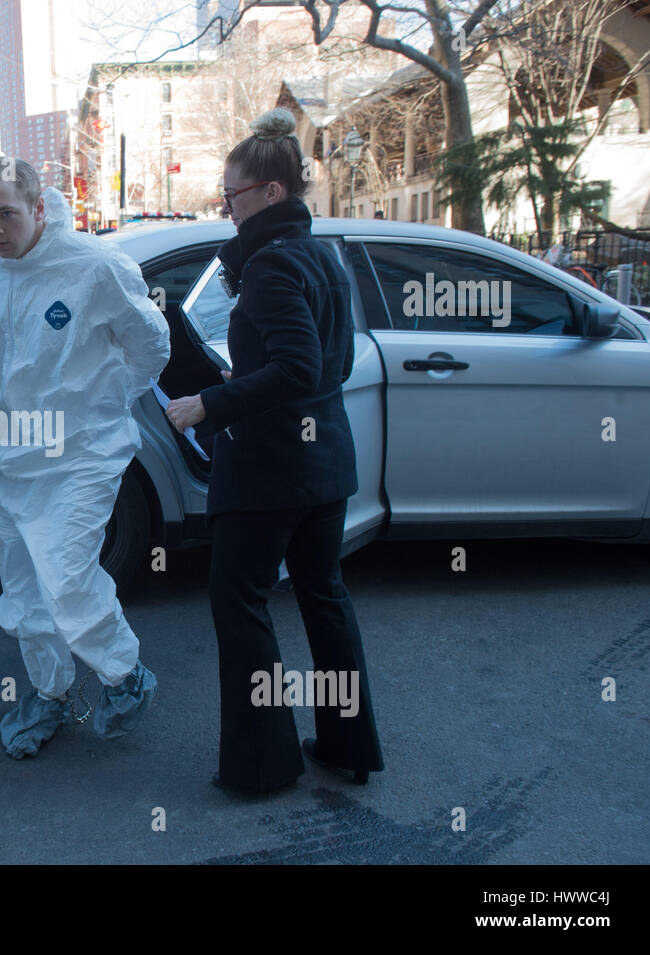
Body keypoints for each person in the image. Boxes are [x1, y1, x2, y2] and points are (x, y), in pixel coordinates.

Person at [165, 108, 384, 795]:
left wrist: (209, 402)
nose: (225, 208)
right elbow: (328, 365)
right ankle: (351, 744)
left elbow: (296, 367)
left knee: (241, 601)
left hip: (269, 471)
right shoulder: (324, 255)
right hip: (325, 464)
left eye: (231, 195)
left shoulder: (269, 265)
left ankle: (263, 763)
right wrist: (245, 379)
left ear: (270, 194)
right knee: (325, 598)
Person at [0, 158, 170, 759]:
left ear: (37, 207)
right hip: (15, 459)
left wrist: (102, 406)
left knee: (66, 576)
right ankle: (50, 694)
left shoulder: (94, 266)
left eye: (7, 214)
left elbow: (151, 344)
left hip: (82, 456)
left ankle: (126, 675)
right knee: (25, 593)